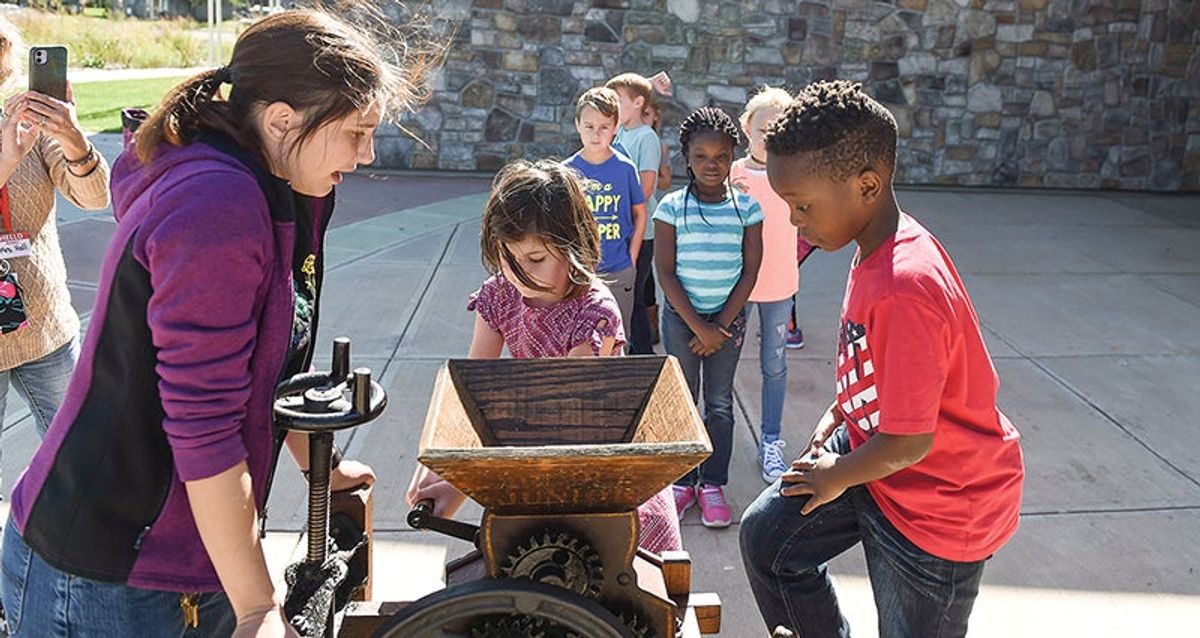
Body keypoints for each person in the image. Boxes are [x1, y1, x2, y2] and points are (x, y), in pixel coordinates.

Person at [2, 8, 433, 636]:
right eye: (356, 132)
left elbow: (273, 353)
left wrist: (318, 466)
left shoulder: (293, 184)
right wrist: (259, 605)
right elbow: (203, 421)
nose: (367, 154)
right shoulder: (217, 207)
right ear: (283, 120)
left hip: (191, 554)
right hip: (107, 573)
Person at [739, 80, 1024, 637]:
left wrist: (838, 475)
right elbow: (875, 373)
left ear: (866, 185)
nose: (794, 220)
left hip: (937, 507)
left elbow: (913, 441)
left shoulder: (904, 286)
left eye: (801, 206)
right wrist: (838, 417)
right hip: (876, 454)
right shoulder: (871, 248)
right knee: (768, 540)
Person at [406, 160, 682, 555]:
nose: (519, 274)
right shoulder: (501, 295)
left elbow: (565, 430)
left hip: (600, 486)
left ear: (574, 247)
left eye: (535, 259)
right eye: (508, 258)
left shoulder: (594, 316)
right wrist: (442, 463)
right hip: (538, 467)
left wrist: (468, 482)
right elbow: (472, 390)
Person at [0, 17, 110, 440]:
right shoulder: (16, 140)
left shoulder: (26, 126)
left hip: (46, 331)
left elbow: (95, 198)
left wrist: (74, 139)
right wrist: (8, 160)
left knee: (79, 455)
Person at [655, 106, 763, 529]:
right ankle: (683, 483)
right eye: (701, 156)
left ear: (733, 155)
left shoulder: (747, 208)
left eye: (720, 156)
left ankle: (712, 483)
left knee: (719, 403)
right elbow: (665, 272)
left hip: (729, 319)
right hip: (683, 320)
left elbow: (750, 269)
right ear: (687, 159)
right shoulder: (672, 207)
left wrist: (720, 327)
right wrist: (699, 327)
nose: (711, 164)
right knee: (685, 400)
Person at [730, 86, 799, 485]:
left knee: (774, 364)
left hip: (779, 286)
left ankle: (770, 439)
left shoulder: (793, 173)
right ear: (746, 128)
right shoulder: (733, 173)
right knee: (723, 364)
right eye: (761, 128)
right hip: (737, 286)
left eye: (778, 129)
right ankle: (713, 434)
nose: (768, 136)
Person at [563, 87, 647, 341]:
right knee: (578, 338)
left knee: (617, 337)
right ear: (577, 125)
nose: (596, 134)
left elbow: (640, 214)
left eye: (603, 127)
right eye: (589, 126)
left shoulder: (625, 168)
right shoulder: (566, 171)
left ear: (615, 128)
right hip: (579, 271)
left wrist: (631, 258)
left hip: (618, 270)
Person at [606, 72, 661, 355]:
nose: (612, 105)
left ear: (639, 103)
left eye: (618, 101)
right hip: (618, 230)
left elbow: (647, 187)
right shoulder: (619, 132)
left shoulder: (646, 138)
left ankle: (642, 356)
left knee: (634, 298)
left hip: (640, 231)